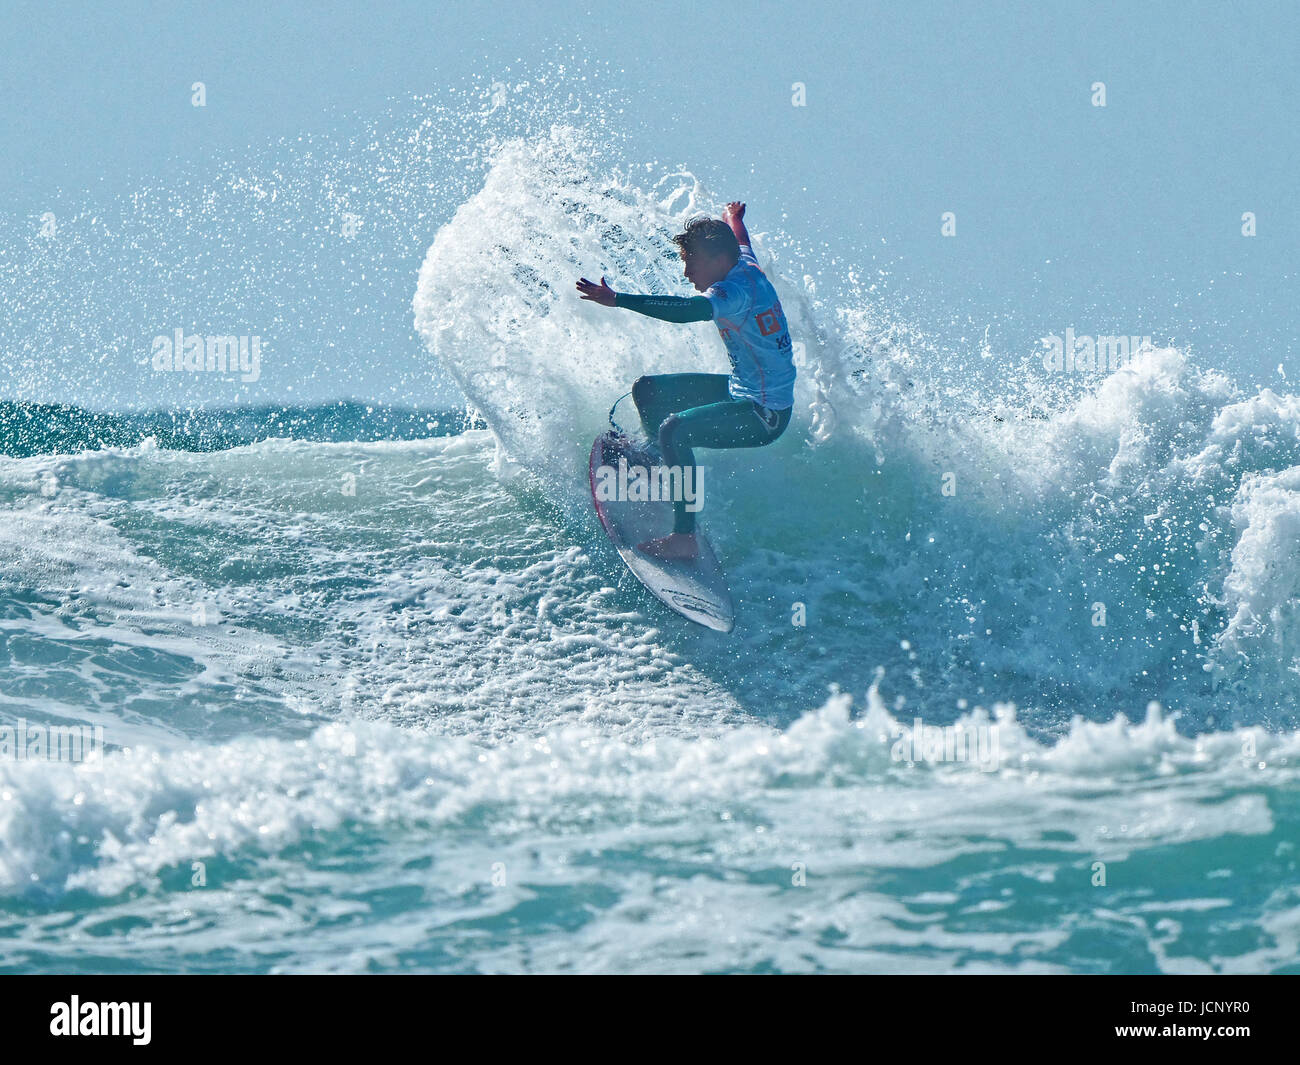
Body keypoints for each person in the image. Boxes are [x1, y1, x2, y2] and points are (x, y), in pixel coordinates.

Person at [576, 202, 795, 560]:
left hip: (764, 414)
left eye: (691, 262)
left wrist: (619, 300)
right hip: (741, 389)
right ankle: (659, 466)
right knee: (649, 390)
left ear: (716, 260)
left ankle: (684, 539)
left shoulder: (733, 293)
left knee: (674, 430)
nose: (686, 271)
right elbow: (741, 241)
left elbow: (689, 311)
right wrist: (733, 219)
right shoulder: (743, 262)